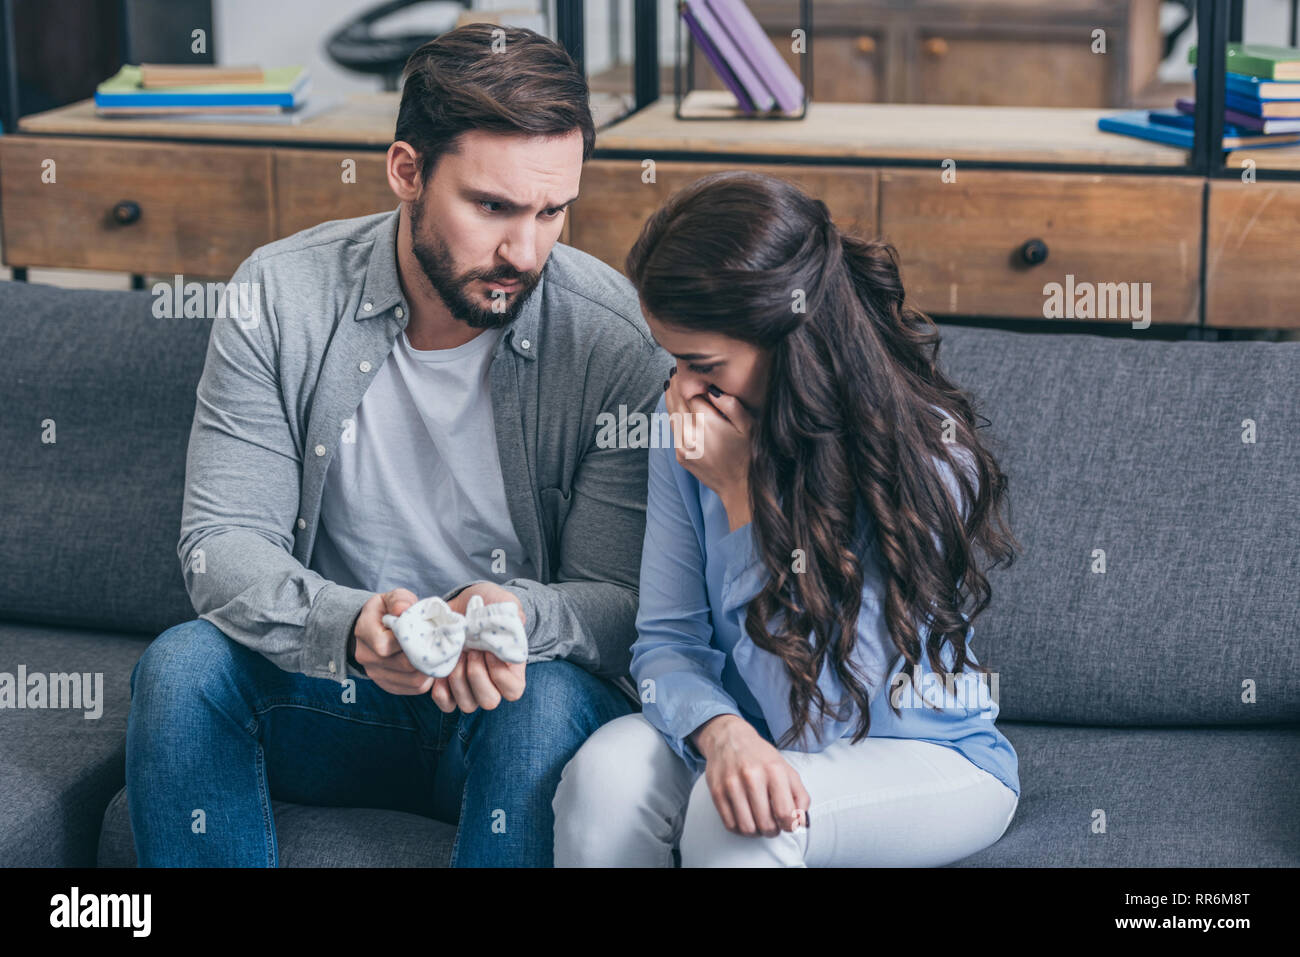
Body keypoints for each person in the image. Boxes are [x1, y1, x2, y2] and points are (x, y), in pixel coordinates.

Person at [125, 23, 665, 867]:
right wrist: (348, 627)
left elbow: (623, 600)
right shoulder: (281, 295)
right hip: (332, 695)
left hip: (509, 708)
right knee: (182, 666)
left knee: (549, 702)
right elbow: (219, 543)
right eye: (492, 206)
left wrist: (519, 616)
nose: (525, 251)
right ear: (406, 171)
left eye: (552, 210)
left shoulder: (614, 340)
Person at [553, 171, 1024, 867]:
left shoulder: (921, 450)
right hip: (758, 732)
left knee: (740, 812)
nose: (680, 389)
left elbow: (828, 714)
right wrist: (720, 732)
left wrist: (743, 501)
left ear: (789, 342)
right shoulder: (680, 420)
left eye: (703, 364)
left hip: (921, 753)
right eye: (672, 360)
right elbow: (666, 644)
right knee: (605, 773)